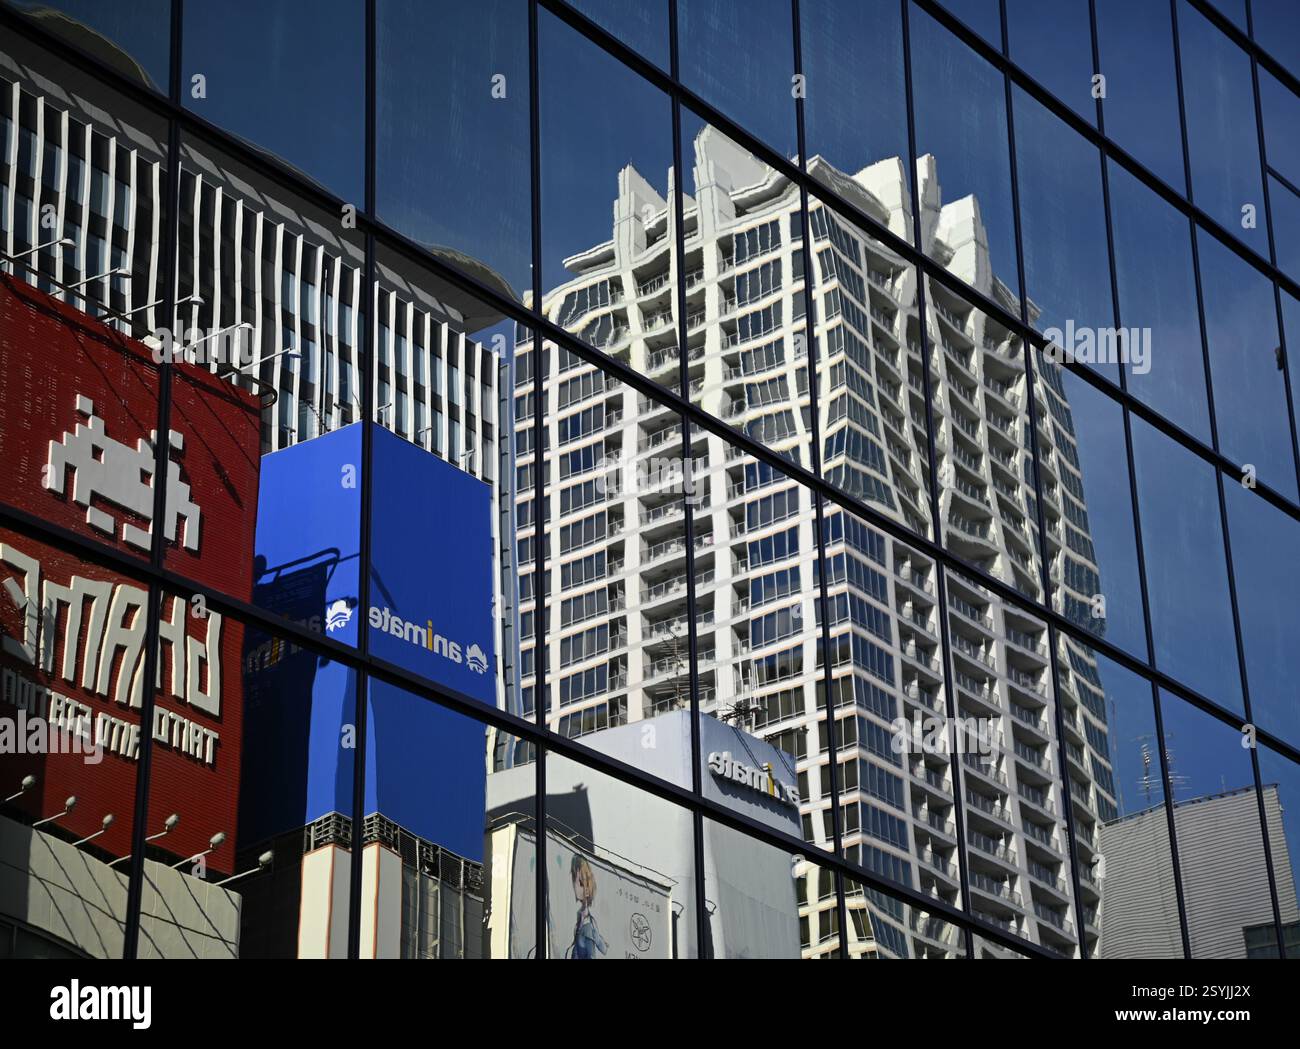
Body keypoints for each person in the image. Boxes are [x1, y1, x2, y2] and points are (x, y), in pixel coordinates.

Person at [566, 854, 608, 959]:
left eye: (586, 881)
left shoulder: (589, 924)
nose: (585, 887)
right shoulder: (578, 917)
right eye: (579, 882)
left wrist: (598, 939)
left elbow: (593, 953)